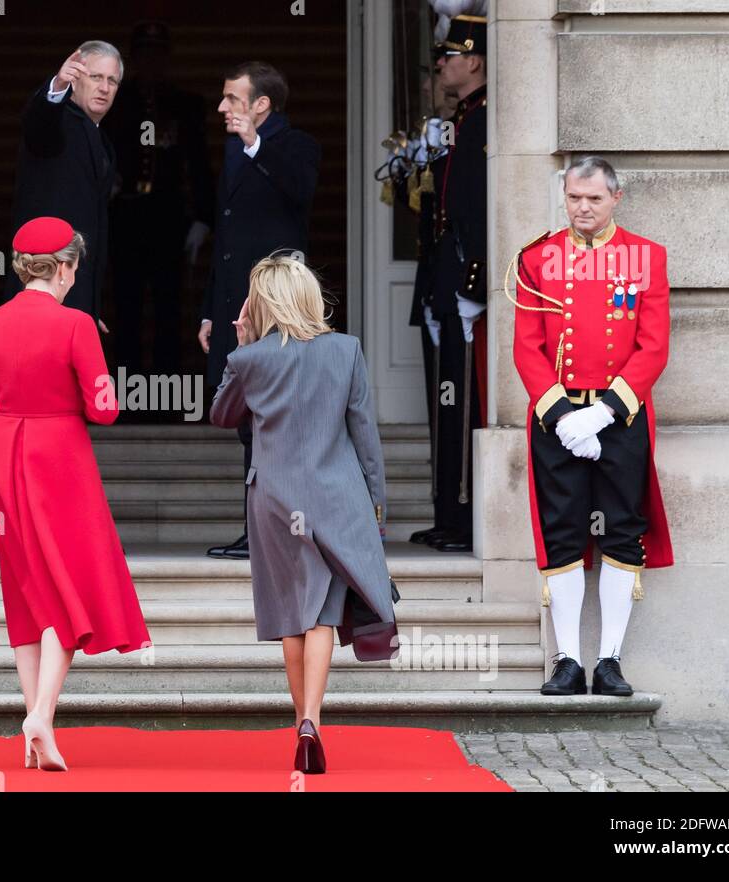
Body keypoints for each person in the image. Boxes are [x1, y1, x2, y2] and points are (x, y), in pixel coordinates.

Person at [0, 217, 152, 771]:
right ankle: (41, 713)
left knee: (24, 590)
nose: (73, 278)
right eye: (73, 269)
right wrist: (100, 369)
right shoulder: (77, 324)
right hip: (58, 459)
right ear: (63, 267)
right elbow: (103, 411)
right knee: (67, 589)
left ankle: (36, 728)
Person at [210, 254, 398, 774]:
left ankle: (301, 722)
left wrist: (243, 346)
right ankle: (312, 720)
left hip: (273, 499)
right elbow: (365, 435)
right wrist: (376, 508)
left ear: (261, 305)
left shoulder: (251, 360)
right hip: (337, 500)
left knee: (293, 614)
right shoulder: (345, 350)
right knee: (322, 614)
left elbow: (222, 417)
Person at [508, 155, 673, 697]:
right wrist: (562, 417)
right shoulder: (537, 259)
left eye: (594, 199)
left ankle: (609, 660)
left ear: (615, 199)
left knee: (622, 532)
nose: (582, 208)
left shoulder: (646, 257)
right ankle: (568, 660)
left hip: (620, 418)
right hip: (556, 420)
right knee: (562, 533)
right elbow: (526, 347)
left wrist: (602, 414)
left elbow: (653, 348)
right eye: (574, 197)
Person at [200, 61, 321, 560]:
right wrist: (210, 310)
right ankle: (257, 530)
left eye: (232, 98)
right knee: (248, 421)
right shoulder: (234, 150)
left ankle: (279, 531)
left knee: (277, 421)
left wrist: (255, 146)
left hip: (277, 309)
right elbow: (225, 234)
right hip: (235, 306)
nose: (224, 107)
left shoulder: (295, 146)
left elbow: (299, 193)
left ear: (261, 105)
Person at [411, 13, 488, 553]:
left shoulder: (484, 120)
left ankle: (463, 517)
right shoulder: (461, 119)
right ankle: (446, 512)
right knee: (444, 400)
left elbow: (482, 209)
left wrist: (473, 279)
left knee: (462, 401)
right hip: (442, 276)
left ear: (475, 61)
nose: (441, 64)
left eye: (450, 56)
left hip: (463, 276)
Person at [104, 20, 214, 377]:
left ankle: (166, 402)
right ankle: (127, 398)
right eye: (144, 54)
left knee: (170, 308)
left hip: (169, 217)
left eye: (157, 54)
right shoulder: (116, 105)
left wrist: (202, 217)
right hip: (126, 214)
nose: (151, 62)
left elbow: (199, 164)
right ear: (133, 59)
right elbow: (99, 156)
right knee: (126, 307)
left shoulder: (186, 105)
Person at [9, 42, 121, 327]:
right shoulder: (58, 122)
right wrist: (57, 87)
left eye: (112, 81)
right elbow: (37, 124)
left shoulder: (100, 137)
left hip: (77, 292)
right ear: (76, 77)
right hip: (45, 291)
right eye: (96, 77)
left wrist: (90, 306)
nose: (105, 88)